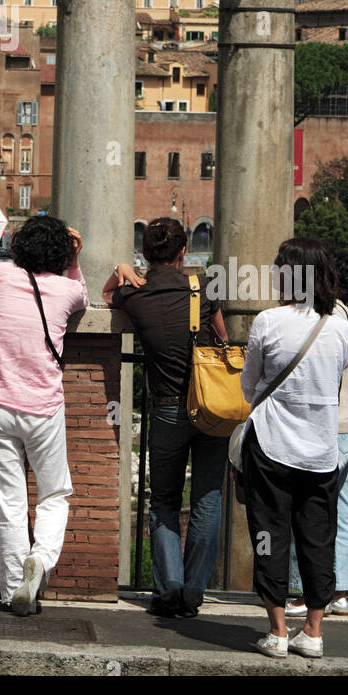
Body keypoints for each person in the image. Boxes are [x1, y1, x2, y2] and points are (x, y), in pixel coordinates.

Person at [0, 217, 93, 614]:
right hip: (43, 406)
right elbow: (83, 296)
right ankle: (43, 558)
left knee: (9, 501)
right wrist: (75, 259)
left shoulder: (0, 275)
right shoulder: (69, 289)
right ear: (62, 251)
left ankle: (13, 588)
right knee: (54, 493)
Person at [107, 215, 229, 619]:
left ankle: (169, 589)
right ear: (182, 253)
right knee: (208, 497)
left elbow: (108, 294)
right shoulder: (205, 288)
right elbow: (222, 341)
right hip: (210, 406)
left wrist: (121, 270)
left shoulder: (134, 296)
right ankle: (194, 592)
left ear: (145, 252)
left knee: (162, 500)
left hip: (166, 407)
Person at [240, 237, 348, 659]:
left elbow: (250, 386)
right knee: (317, 538)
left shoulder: (268, 321)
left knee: (270, 534)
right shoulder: (339, 323)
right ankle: (314, 632)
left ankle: (278, 631)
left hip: (271, 447)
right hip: (321, 450)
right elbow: (338, 376)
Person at [286, 249, 348, 617]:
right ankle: (342, 591)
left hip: (326, 430)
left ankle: (305, 591)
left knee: (308, 513)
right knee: (343, 512)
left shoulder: (326, 315)